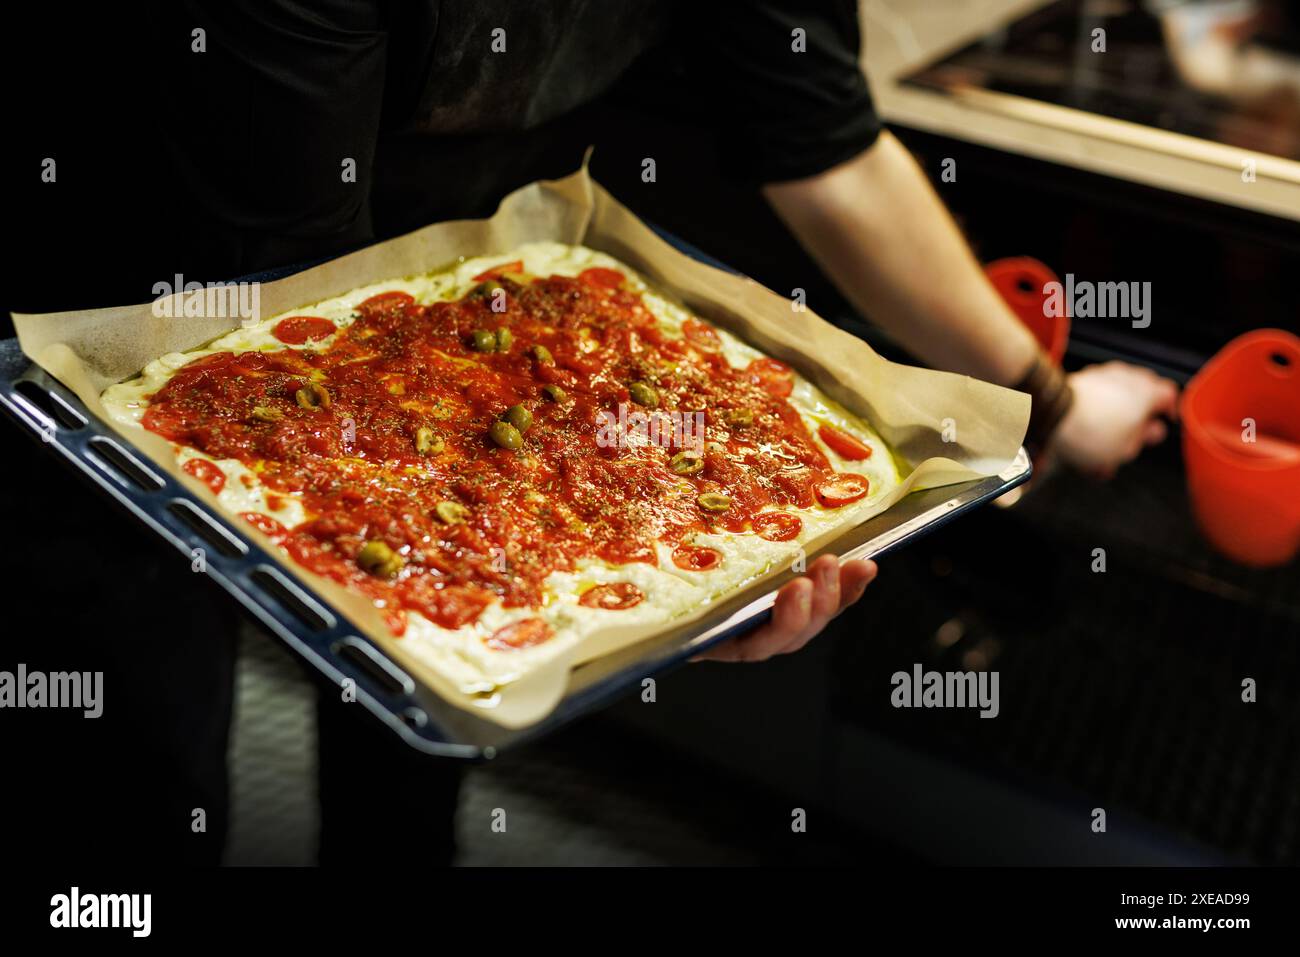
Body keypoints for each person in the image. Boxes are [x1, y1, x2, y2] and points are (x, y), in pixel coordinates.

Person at [5, 0, 1176, 865]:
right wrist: (607, 571)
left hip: (475, 260)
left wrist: (1051, 404)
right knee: (141, 758)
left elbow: (823, 145)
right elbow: (296, 330)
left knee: (427, 750)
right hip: (137, 278)